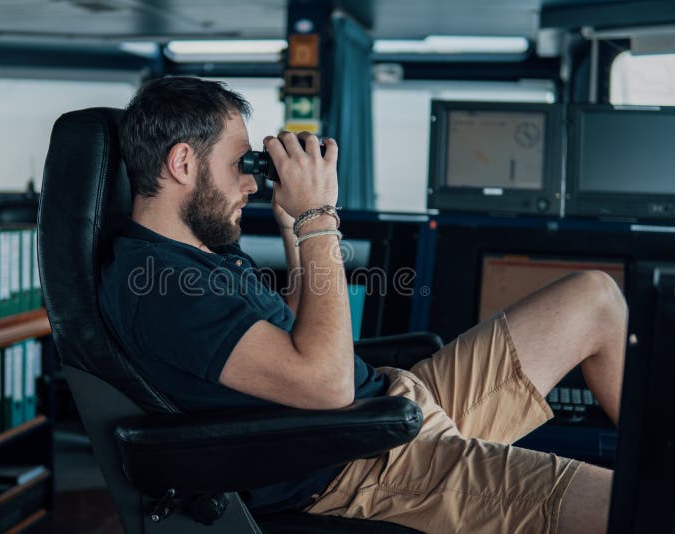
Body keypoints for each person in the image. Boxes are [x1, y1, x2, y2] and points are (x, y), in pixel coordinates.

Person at [98, 76, 627, 534]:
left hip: (392, 406)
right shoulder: (161, 287)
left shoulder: (191, 254)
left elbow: (293, 341)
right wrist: (318, 218)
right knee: (634, 508)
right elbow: (328, 386)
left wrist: (293, 230)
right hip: (364, 461)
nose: (251, 182)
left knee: (595, 298)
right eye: (239, 164)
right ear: (183, 162)